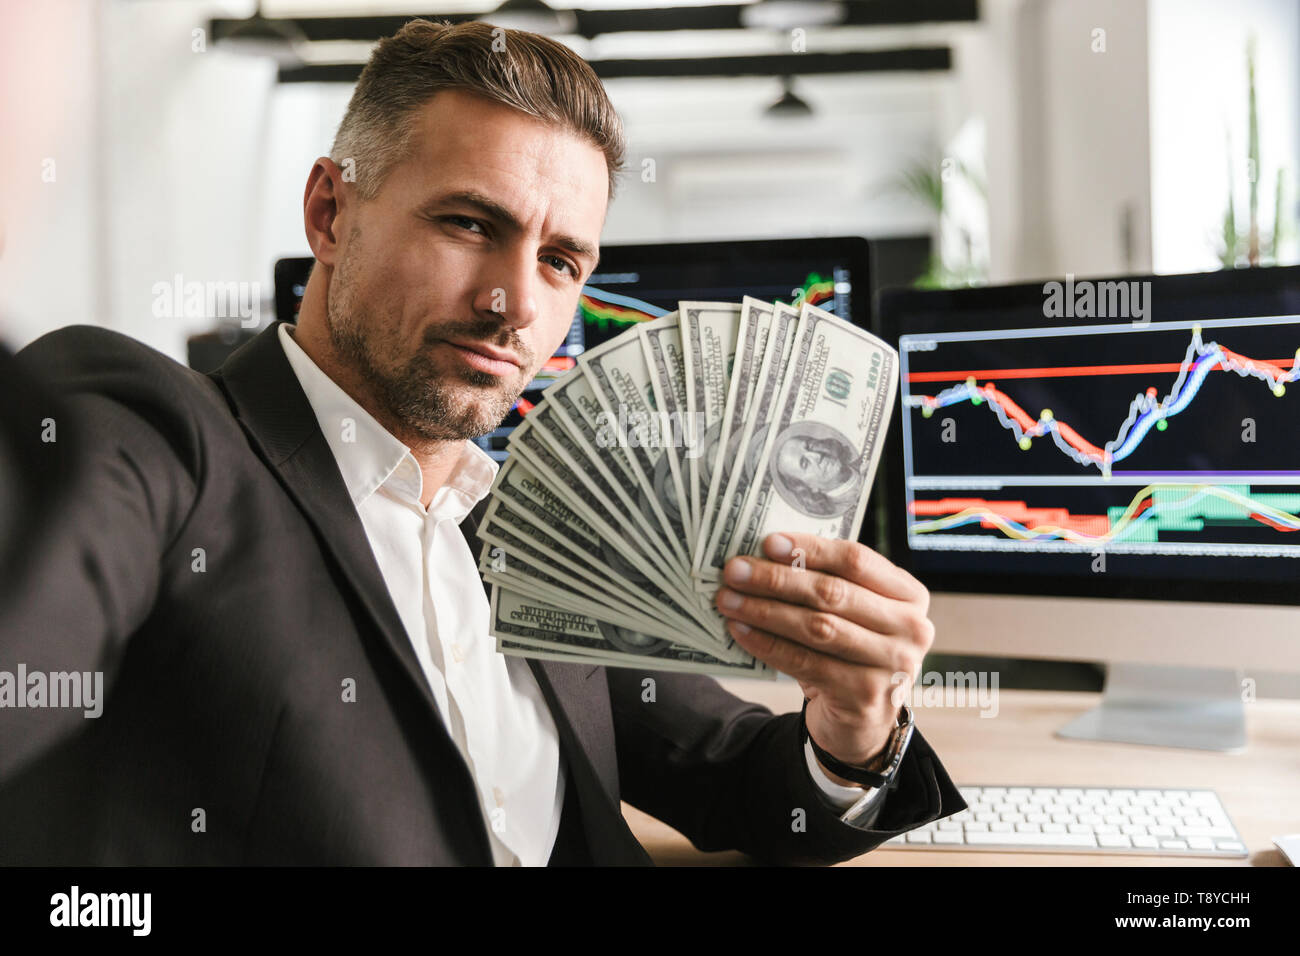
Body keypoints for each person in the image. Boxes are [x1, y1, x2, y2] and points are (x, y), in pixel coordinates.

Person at [0, 18, 963, 865]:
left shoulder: (538, 534)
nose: (515, 305)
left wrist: (855, 727)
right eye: (468, 223)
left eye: (559, 260)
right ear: (330, 215)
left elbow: (748, 787)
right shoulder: (163, 438)